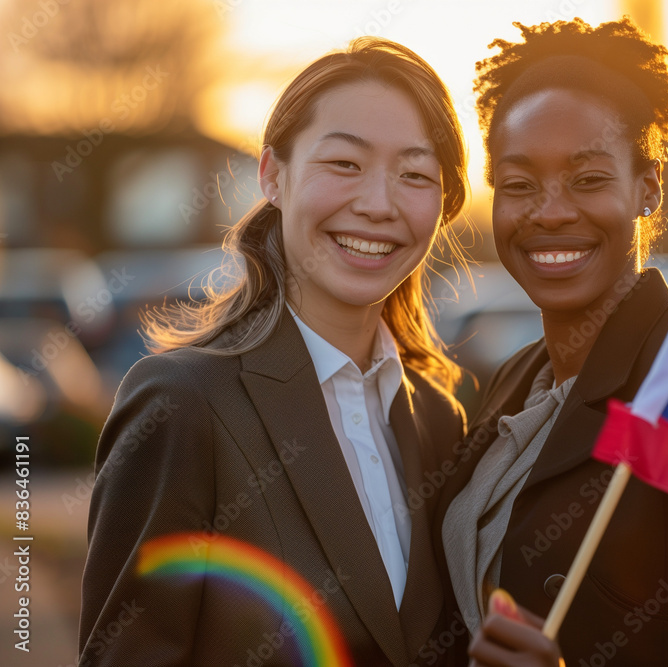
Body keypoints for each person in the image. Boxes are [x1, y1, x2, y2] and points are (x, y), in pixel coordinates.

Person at [80, 37, 471, 667]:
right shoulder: (183, 404)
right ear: (272, 175)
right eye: (344, 164)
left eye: (415, 174)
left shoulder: (436, 419)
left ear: (442, 209)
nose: (377, 204)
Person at [439, 18, 668, 666]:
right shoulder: (510, 381)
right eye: (519, 183)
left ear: (649, 184)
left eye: (587, 180)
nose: (550, 211)